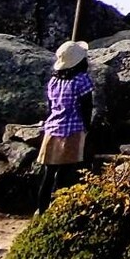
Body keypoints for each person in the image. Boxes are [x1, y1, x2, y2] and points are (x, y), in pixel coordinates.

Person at [35, 39, 93, 214]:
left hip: (52, 129)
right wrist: (87, 127)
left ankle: (41, 209)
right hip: (73, 130)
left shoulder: (53, 81)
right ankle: (58, 210)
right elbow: (86, 106)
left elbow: (50, 105)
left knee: (48, 174)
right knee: (65, 175)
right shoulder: (81, 80)